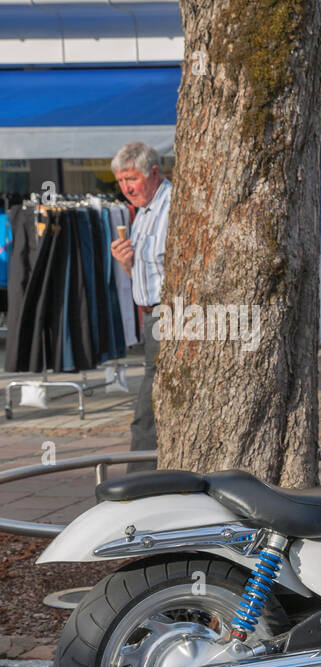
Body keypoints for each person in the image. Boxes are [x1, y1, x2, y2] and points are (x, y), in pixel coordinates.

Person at [109, 141, 171, 472]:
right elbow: (146, 272)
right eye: (120, 181)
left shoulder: (173, 205)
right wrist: (126, 264)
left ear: (153, 173)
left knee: (146, 408)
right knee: (153, 400)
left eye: (131, 178)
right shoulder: (142, 213)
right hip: (150, 315)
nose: (126, 188)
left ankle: (138, 479)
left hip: (170, 315)